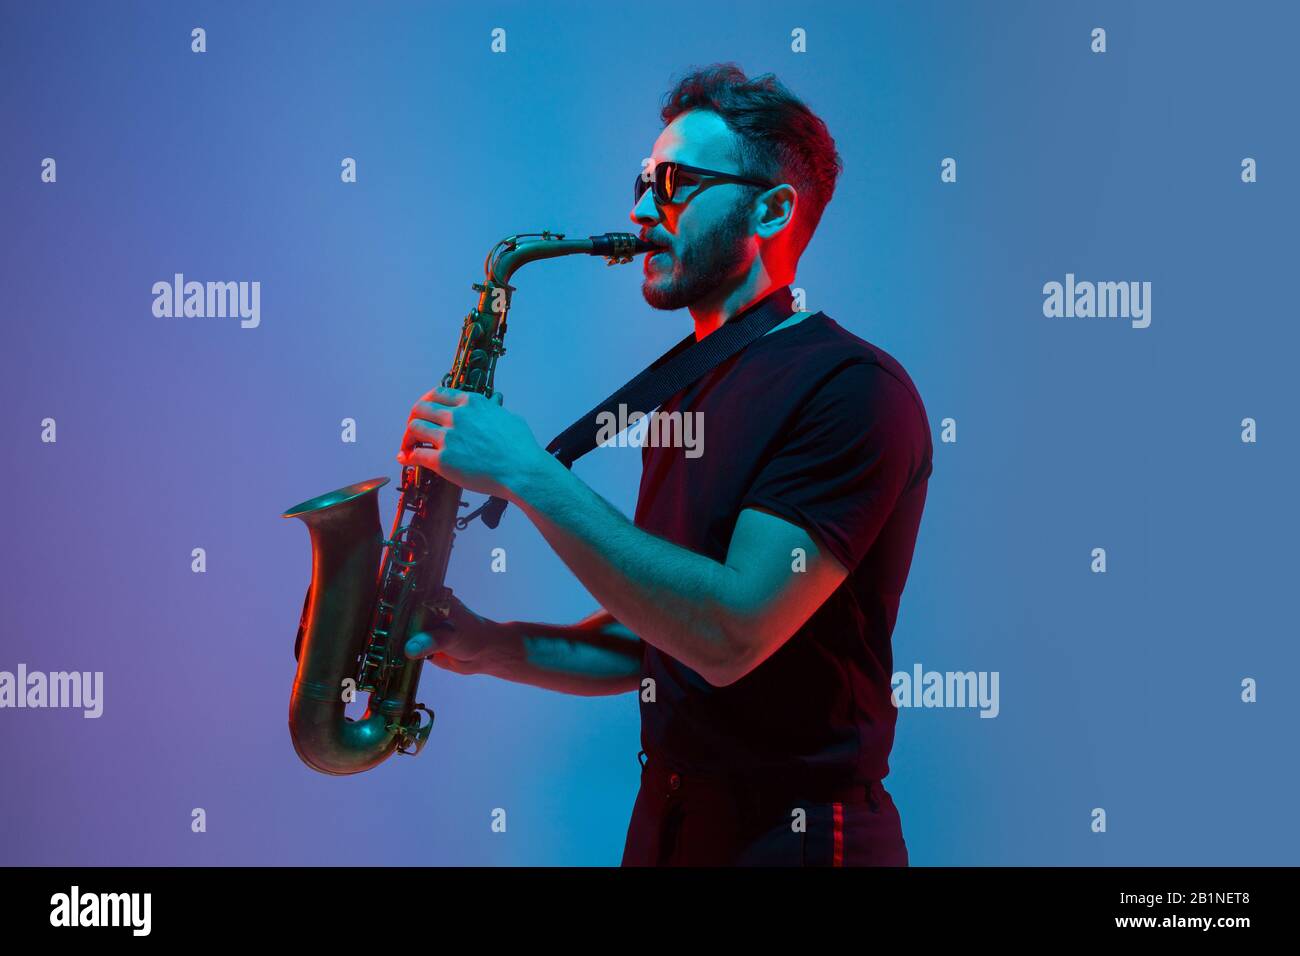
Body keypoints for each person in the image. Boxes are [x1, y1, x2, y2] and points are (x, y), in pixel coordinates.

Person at [396, 64, 932, 866]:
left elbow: (726, 633)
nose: (642, 211)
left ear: (772, 207)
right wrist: (490, 644)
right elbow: (661, 635)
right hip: (669, 825)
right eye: (641, 182)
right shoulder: (692, 385)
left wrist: (524, 471)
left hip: (798, 842)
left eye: (674, 184)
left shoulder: (852, 390)